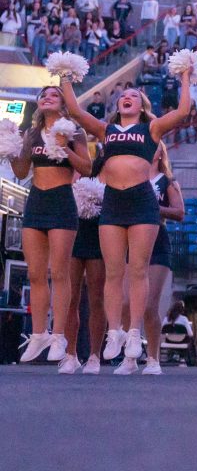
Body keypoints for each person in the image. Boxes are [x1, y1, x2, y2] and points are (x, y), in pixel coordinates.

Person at [61, 62, 193, 368]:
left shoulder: (151, 128)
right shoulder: (106, 130)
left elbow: (183, 111)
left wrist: (185, 75)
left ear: (142, 105)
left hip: (142, 200)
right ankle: (115, 332)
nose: (127, 97)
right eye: (123, 95)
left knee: (138, 270)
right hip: (113, 203)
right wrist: (65, 75)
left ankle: (134, 331)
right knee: (113, 272)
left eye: (133, 95)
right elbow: (76, 112)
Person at [13, 84, 91, 364]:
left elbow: (86, 168)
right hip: (36, 200)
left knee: (59, 272)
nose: (47, 97)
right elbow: (22, 170)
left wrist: (65, 150)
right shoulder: (32, 134)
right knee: (35, 274)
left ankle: (59, 335)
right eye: (43, 94)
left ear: (62, 103)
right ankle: (38, 334)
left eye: (53, 94)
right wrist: (9, 149)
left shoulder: (74, 131)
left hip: (61, 201)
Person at [140, 145, 184, 375]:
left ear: (159, 153)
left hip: (157, 239)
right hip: (131, 240)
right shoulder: (131, 176)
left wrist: (155, 208)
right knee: (127, 303)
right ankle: (128, 355)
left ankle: (153, 358)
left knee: (149, 305)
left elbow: (179, 212)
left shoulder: (167, 181)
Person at [64, 154, 108, 375]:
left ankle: (94, 356)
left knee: (96, 299)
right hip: (76, 237)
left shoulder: (116, 179)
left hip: (100, 242)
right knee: (71, 297)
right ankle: (70, 354)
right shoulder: (81, 173)